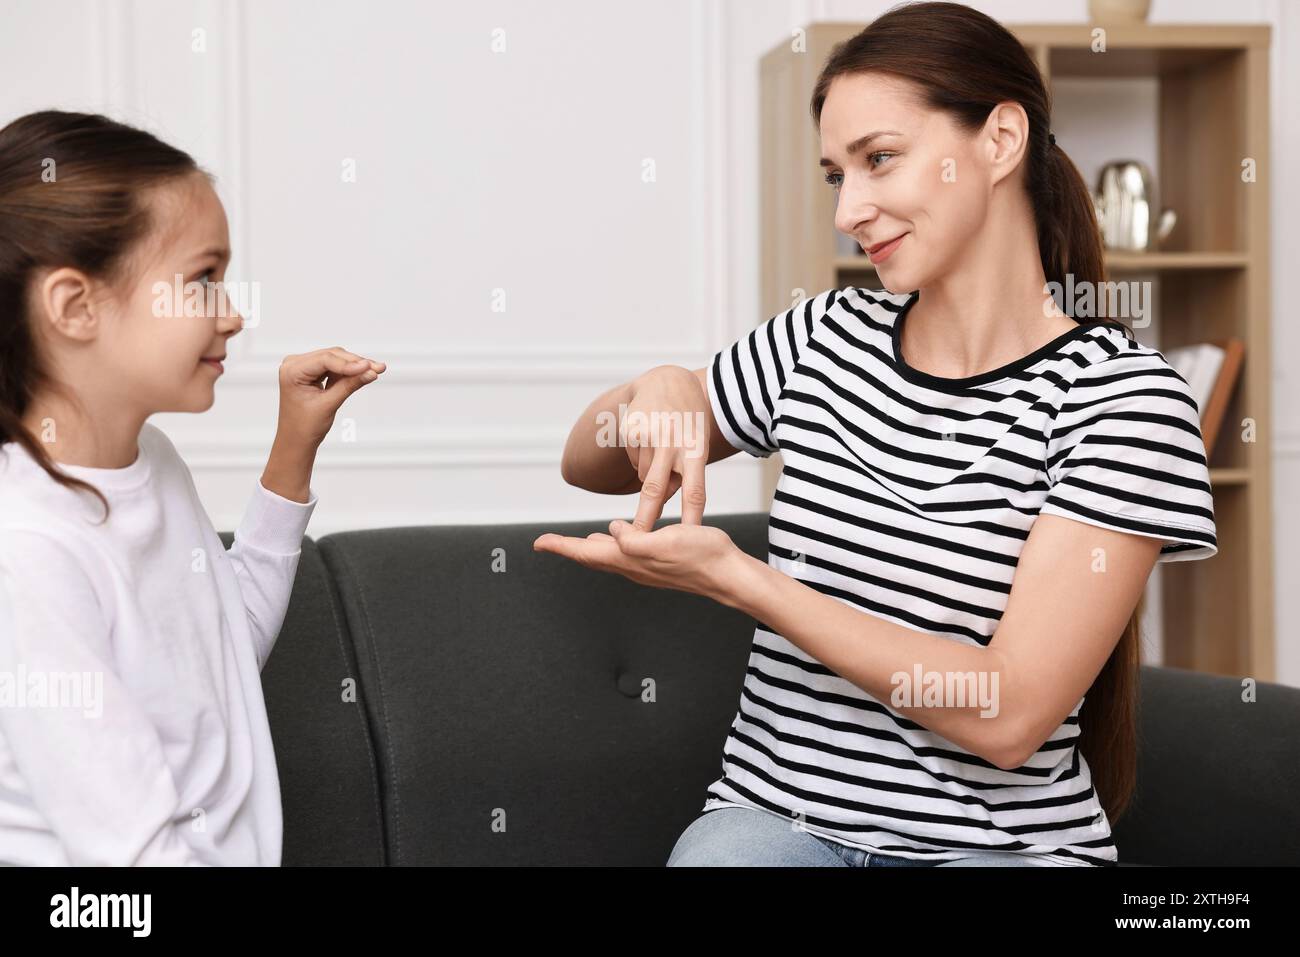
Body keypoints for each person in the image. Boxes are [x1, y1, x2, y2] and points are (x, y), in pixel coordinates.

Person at [535, 2, 1217, 866]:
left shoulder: (1122, 401)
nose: (848, 210)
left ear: (1001, 140)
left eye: (879, 160)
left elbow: (1007, 716)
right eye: (834, 175)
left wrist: (748, 584)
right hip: (777, 825)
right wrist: (655, 390)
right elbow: (585, 459)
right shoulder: (823, 337)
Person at [0, 110, 386, 864]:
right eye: (202, 279)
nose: (234, 314)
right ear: (76, 306)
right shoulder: (26, 549)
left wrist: (293, 449)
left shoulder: (151, 458)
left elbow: (219, 659)